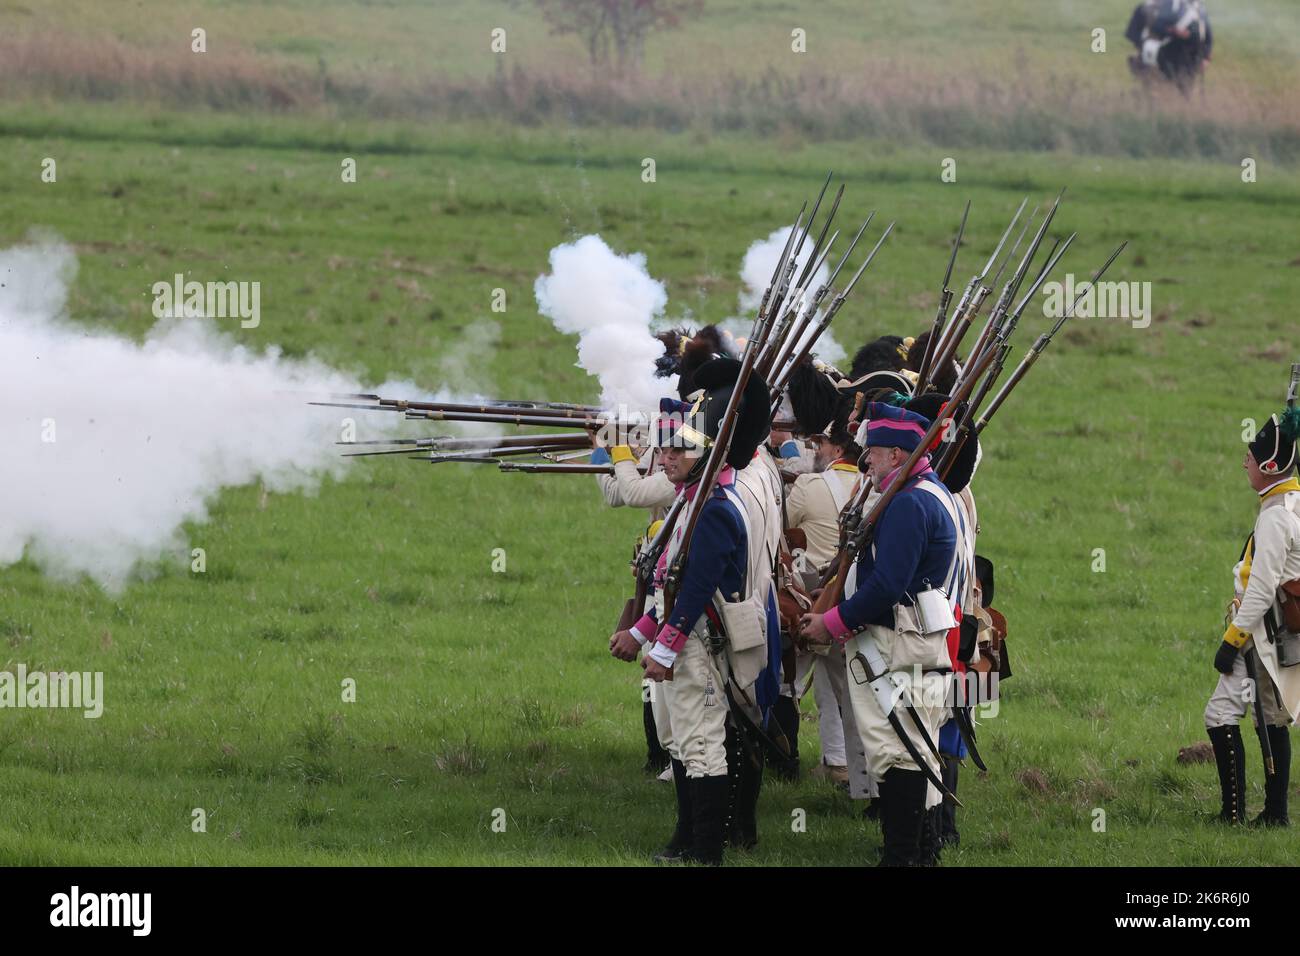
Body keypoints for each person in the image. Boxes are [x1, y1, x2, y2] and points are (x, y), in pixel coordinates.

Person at [608, 358, 774, 864]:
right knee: (682, 742)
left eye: (677, 448)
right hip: (687, 640)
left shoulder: (716, 508)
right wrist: (640, 629)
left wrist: (661, 646)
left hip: (701, 643)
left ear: (703, 452)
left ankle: (706, 853)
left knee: (701, 747)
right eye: (665, 448)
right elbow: (668, 584)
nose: (664, 458)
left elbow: (697, 590)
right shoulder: (689, 500)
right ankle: (689, 844)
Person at [800, 402, 962, 865]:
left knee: (898, 752)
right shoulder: (925, 492)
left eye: (872, 452)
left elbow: (888, 586)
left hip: (898, 642)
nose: (864, 459)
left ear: (896, 454)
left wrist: (831, 622)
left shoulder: (910, 503)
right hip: (913, 640)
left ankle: (902, 857)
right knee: (916, 748)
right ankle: (920, 854)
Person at [1205, 405, 1300, 826]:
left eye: (1253, 455)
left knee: (1250, 717)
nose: (1245, 460)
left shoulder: (1277, 517)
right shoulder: (1287, 501)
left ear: (1271, 466)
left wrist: (1231, 641)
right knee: (1251, 717)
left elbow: (1261, 589)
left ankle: (1260, 812)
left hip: (1260, 636)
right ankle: (1254, 813)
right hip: (1264, 634)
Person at [785, 406, 872, 798]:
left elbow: (782, 526)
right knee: (838, 690)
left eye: (820, 442)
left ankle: (785, 758)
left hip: (815, 600)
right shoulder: (871, 489)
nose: (815, 449)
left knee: (786, 683)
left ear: (837, 448)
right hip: (847, 598)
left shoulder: (809, 486)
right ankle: (841, 765)